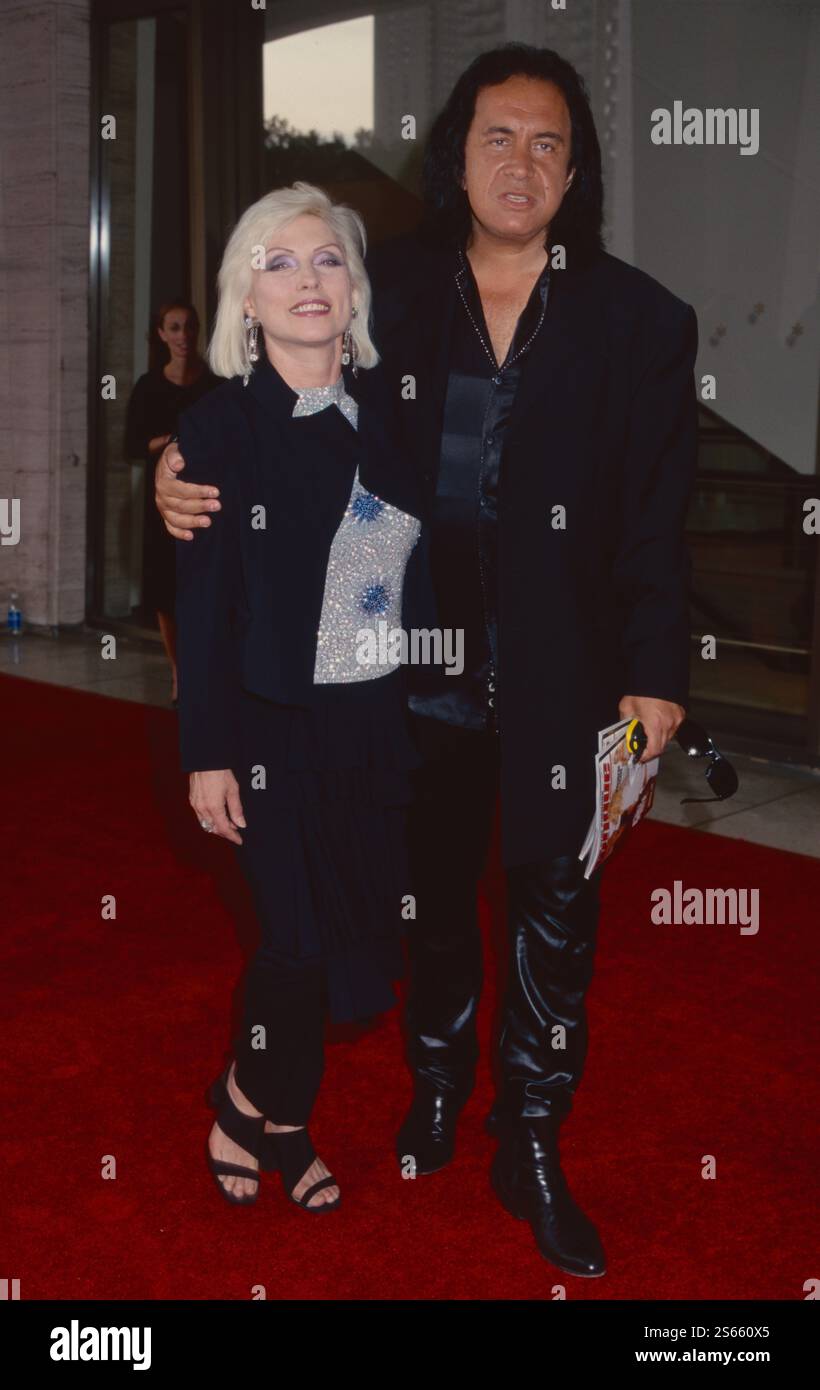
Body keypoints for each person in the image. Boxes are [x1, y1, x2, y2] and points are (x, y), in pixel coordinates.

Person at [155, 45, 699, 1276]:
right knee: (436, 902)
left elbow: (658, 515)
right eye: (496, 136)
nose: (521, 162)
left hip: (573, 672)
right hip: (414, 668)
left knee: (557, 911)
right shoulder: (385, 288)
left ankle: (534, 1139)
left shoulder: (641, 323)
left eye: (548, 141)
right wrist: (177, 469)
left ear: (577, 170)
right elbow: (272, 392)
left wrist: (658, 673)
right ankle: (439, 1090)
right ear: (453, 154)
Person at [173, 183, 427, 1211]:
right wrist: (205, 753)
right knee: (293, 939)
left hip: (370, 729)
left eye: (326, 260)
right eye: (278, 263)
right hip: (264, 726)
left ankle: (280, 1108)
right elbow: (199, 606)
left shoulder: (393, 418)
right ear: (246, 298)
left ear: (356, 288)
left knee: (352, 940)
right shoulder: (221, 426)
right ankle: (250, 1103)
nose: (306, 280)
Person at [124, 301, 218, 702]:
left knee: (205, 585)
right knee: (165, 591)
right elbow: (132, 445)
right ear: (161, 334)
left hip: (207, 496)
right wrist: (175, 438)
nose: (183, 336)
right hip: (161, 498)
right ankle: (179, 671)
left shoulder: (214, 383)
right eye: (175, 328)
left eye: (189, 328)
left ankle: (206, 669)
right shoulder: (148, 385)